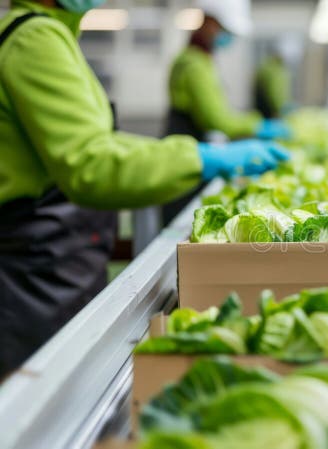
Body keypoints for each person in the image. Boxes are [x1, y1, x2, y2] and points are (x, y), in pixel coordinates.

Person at [0, 0, 289, 377]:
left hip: (50, 253)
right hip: (33, 266)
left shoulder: (53, 34)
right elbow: (93, 164)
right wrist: (200, 159)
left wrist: (201, 154)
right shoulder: (36, 38)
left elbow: (103, 142)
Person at [163, 0, 291, 223]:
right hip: (186, 148)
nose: (227, 37)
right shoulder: (194, 64)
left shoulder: (198, 59)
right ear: (211, 23)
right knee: (182, 220)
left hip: (192, 143)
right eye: (226, 31)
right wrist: (258, 125)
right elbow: (216, 117)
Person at [255, 50, 292, 119]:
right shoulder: (277, 71)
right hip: (271, 107)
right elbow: (275, 92)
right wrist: (277, 108)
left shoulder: (264, 67)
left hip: (261, 105)